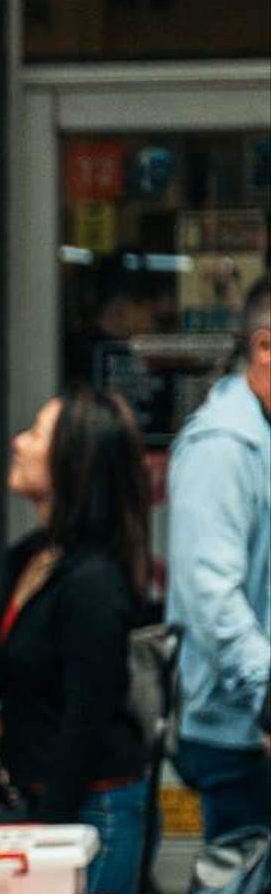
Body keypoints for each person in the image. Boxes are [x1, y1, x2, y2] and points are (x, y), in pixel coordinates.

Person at [0, 389, 155, 894]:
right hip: (41, 803)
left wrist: (43, 847)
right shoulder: (29, 557)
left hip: (91, 811)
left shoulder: (94, 584)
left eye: (36, 434)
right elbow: (6, 659)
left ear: (73, 461)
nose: (17, 442)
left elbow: (83, 725)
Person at [164, 276, 271, 840]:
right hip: (239, 737)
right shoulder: (223, 447)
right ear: (264, 347)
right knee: (241, 890)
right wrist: (267, 692)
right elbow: (211, 595)